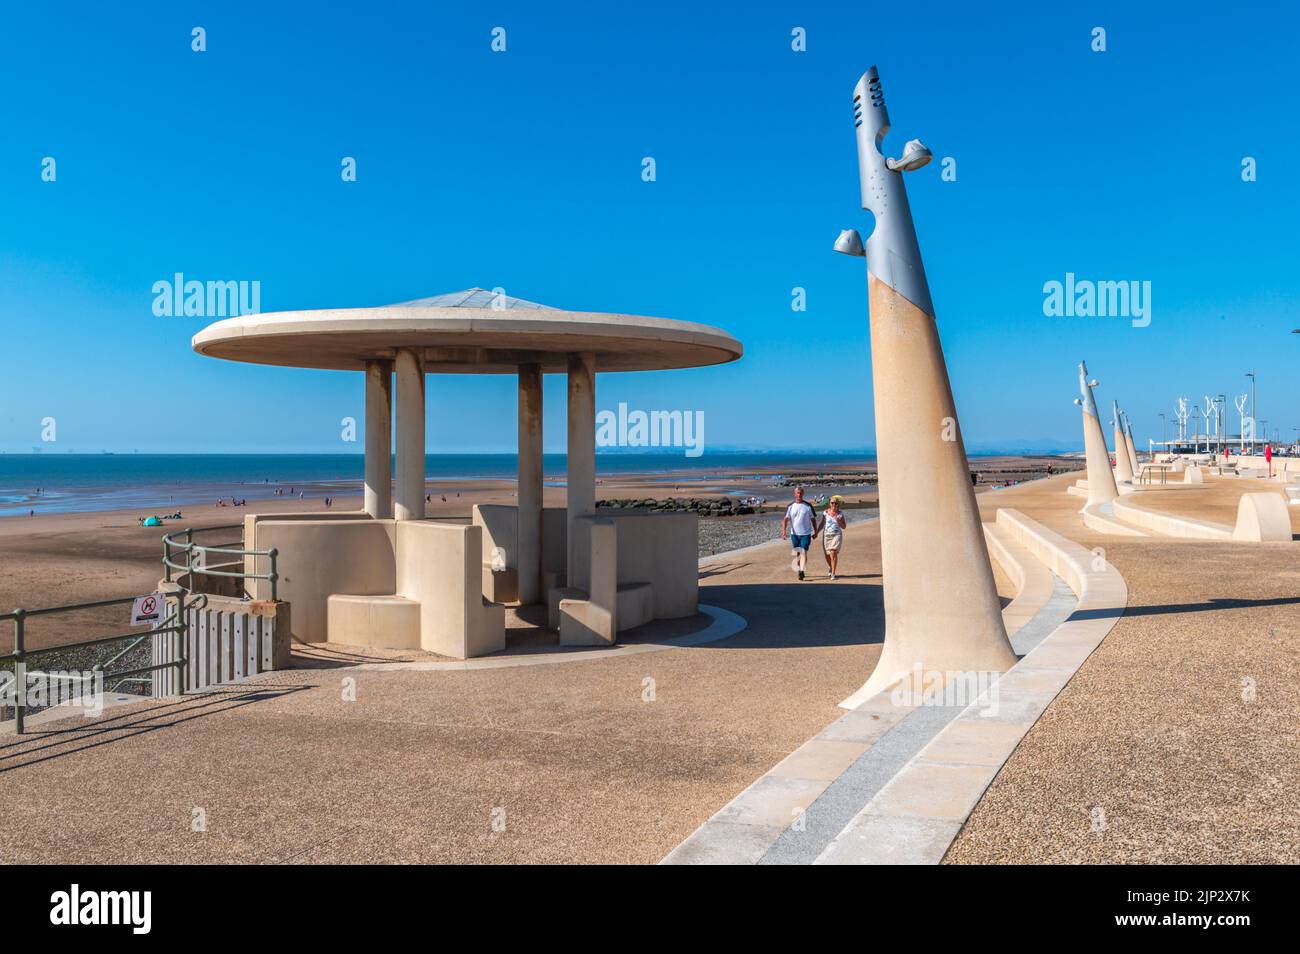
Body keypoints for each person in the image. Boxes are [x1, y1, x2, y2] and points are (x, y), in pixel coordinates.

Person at [781, 486, 817, 580]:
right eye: (797, 493)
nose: (799, 494)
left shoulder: (808, 506)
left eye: (801, 493)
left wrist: (816, 531)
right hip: (794, 534)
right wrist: (784, 532)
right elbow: (785, 520)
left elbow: (813, 520)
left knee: (804, 551)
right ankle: (800, 570)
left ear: (803, 494)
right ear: (795, 494)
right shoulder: (790, 506)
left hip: (806, 533)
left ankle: (801, 570)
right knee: (798, 553)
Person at [817, 495, 847, 580]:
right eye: (832, 503)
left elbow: (844, 526)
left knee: (833, 552)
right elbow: (822, 524)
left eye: (836, 503)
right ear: (829, 504)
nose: (834, 504)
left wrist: (839, 521)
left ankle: (833, 573)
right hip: (826, 535)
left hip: (836, 535)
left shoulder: (840, 514)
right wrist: (816, 532)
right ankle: (831, 567)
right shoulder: (825, 512)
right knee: (827, 555)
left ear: (838, 504)